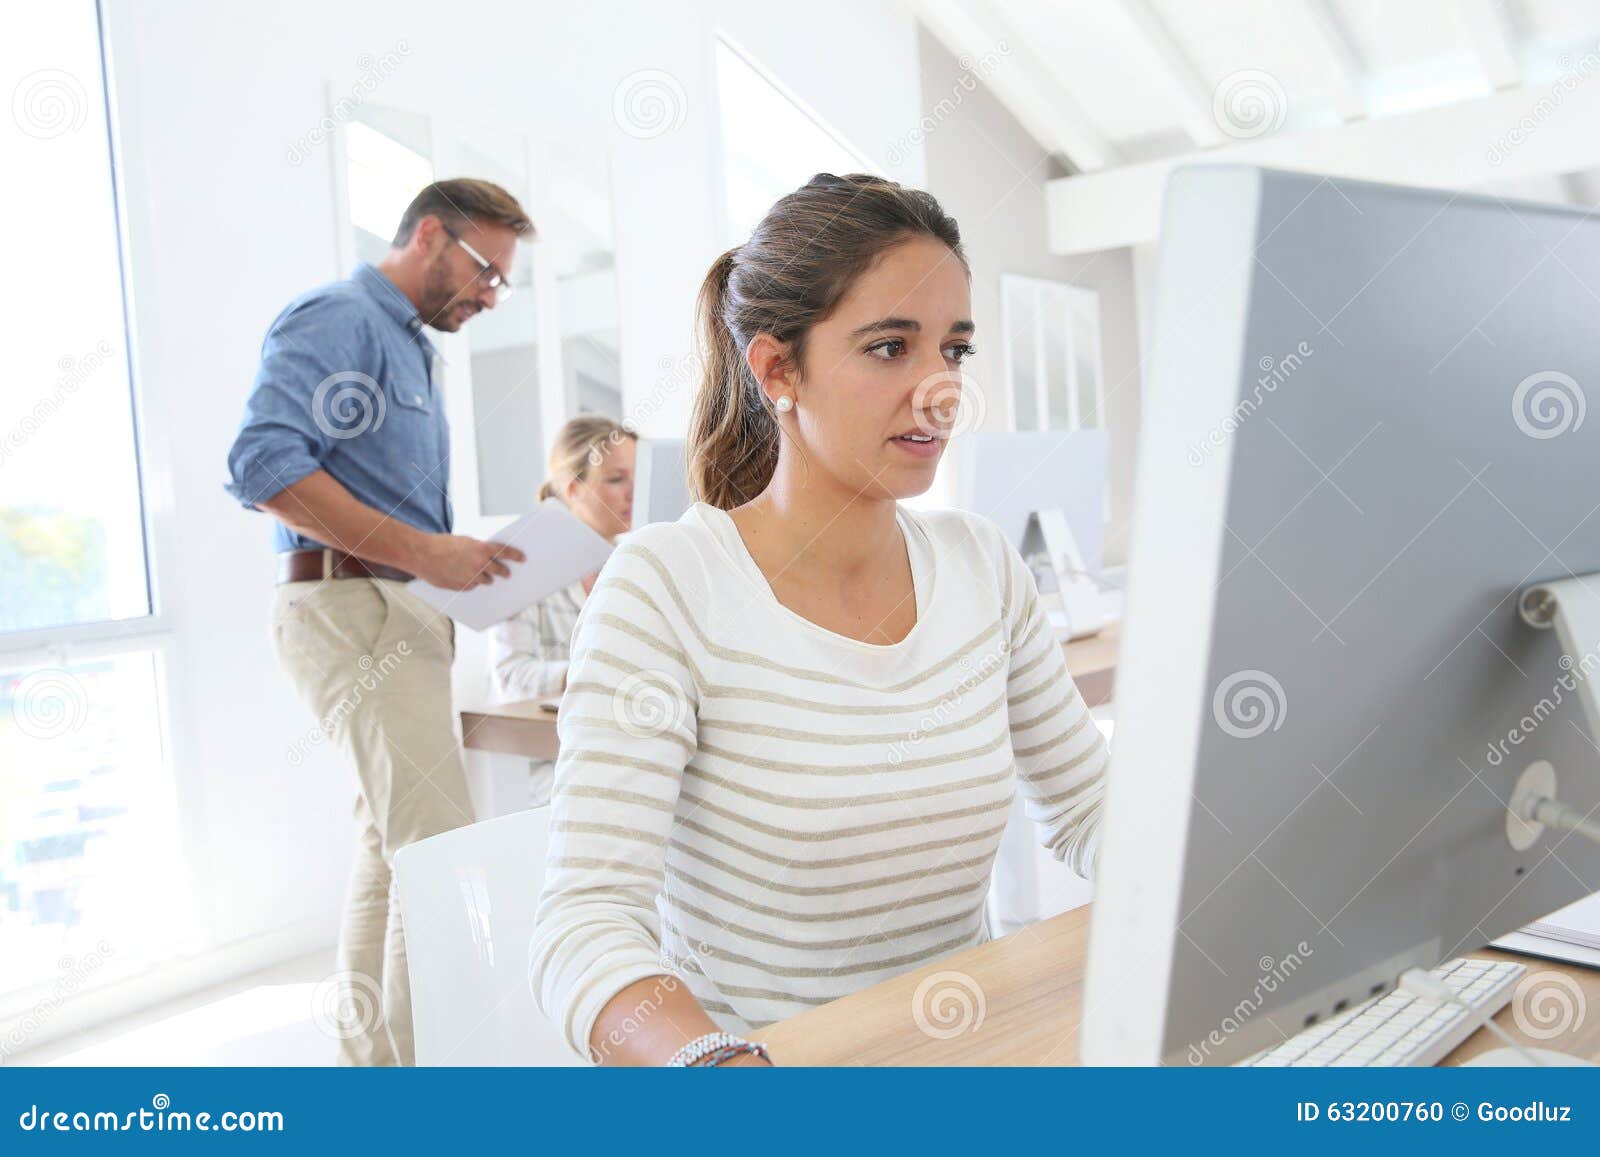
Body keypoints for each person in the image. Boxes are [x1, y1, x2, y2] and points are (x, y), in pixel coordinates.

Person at [529, 173, 1109, 1068]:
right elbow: (586, 923)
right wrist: (718, 1071)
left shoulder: (982, 565)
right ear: (776, 369)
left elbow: (1089, 806)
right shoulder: (667, 586)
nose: (938, 391)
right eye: (889, 348)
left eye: (954, 350)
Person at [224, 178, 535, 1066]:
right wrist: (423, 552)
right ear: (429, 235)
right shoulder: (341, 317)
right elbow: (261, 461)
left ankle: (372, 1078)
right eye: (485, 269)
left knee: (390, 847)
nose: (489, 294)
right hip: (350, 603)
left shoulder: (411, 349)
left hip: (392, 606)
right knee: (432, 858)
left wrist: (444, 558)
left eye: (503, 282)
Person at [490, 414, 636, 806]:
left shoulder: (636, 566)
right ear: (574, 489)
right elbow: (510, 676)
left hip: (629, 746)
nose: (632, 494)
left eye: (638, 478)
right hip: (554, 764)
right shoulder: (524, 567)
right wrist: (584, 673)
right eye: (617, 479)